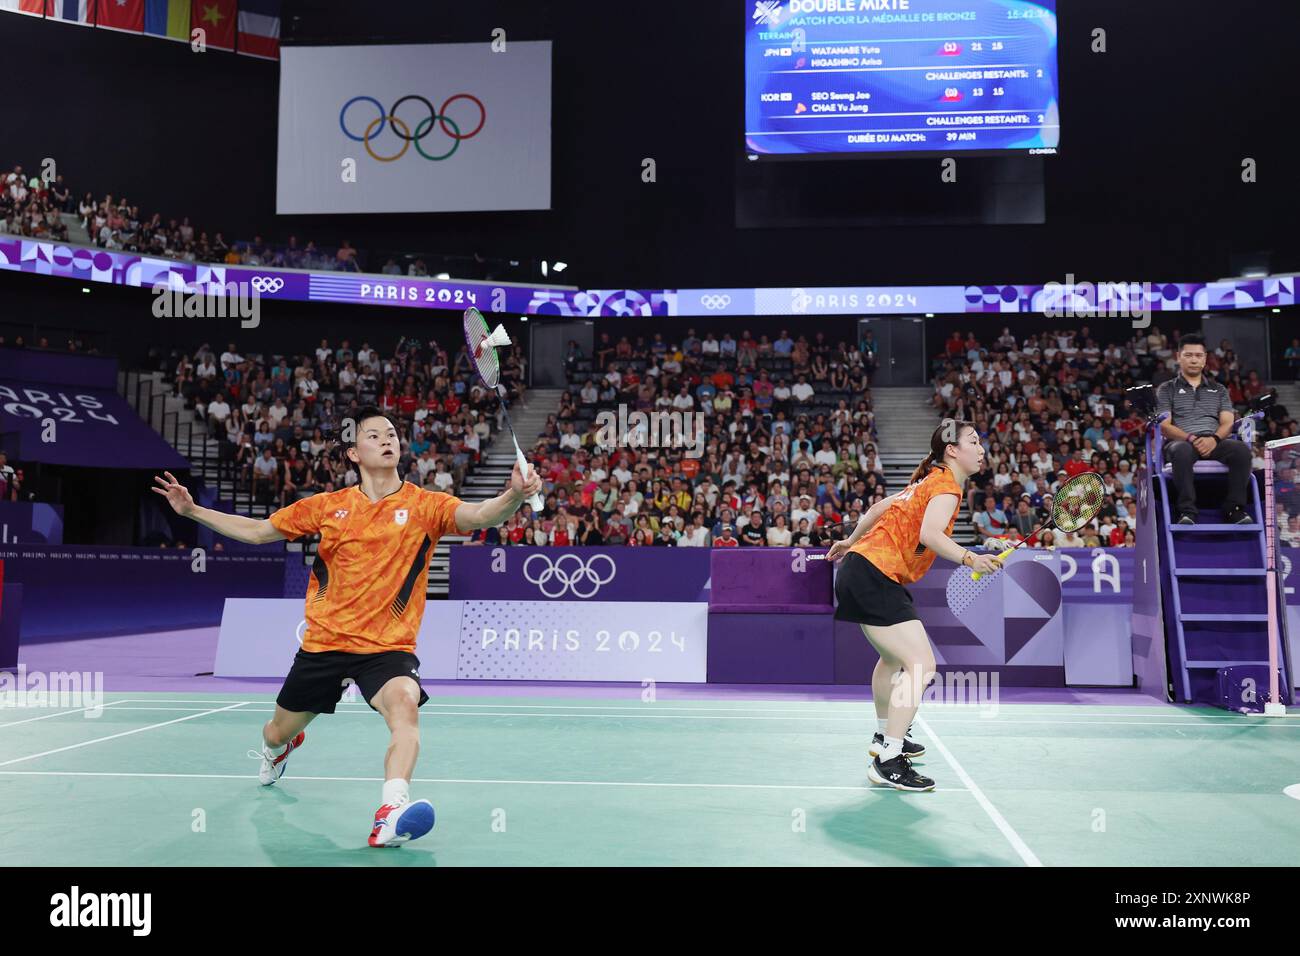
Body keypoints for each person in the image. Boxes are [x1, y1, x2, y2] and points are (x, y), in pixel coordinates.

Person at [152, 405, 542, 847]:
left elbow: (479, 517)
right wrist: (192, 512)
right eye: (374, 435)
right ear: (354, 452)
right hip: (324, 645)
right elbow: (260, 531)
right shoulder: (328, 507)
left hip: (387, 648)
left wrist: (512, 496)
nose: (387, 439)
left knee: (405, 707)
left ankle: (391, 810)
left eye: (392, 433)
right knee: (276, 730)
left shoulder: (425, 505)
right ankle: (279, 750)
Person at [824, 420, 1000, 792]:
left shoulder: (924, 483)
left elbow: (875, 509)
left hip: (863, 568)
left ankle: (882, 736)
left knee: (892, 660)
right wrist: (971, 559)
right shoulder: (946, 487)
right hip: (875, 573)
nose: (982, 448)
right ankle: (889, 757)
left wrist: (848, 541)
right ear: (952, 450)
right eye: (974, 441)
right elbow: (930, 535)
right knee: (922, 664)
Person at [1155, 334, 1252, 524]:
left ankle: (1234, 509)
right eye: (1188, 355)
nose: (1193, 359)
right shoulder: (1166, 389)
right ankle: (1187, 511)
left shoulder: (1220, 390)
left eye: (1198, 356)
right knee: (1181, 451)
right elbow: (1165, 426)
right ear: (1178, 357)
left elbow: (1227, 422)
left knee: (1241, 451)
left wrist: (1214, 439)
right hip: (1182, 442)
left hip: (1214, 441)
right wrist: (1191, 439)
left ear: (1205, 359)